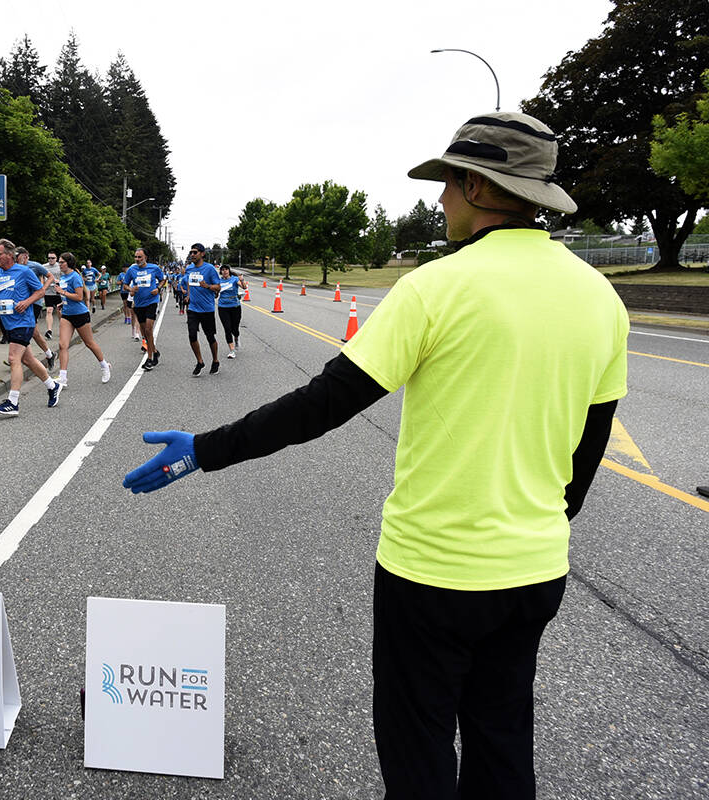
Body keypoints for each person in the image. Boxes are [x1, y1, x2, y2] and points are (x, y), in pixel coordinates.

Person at [122, 112, 629, 799]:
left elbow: (321, 406)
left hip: (432, 572)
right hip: (535, 567)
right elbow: (588, 451)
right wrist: (536, 530)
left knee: (418, 749)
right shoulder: (601, 299)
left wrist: (205, 450)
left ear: (477, 186)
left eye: (449, 181)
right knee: (503, 738)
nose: (441, 197)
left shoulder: (435, 287)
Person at [0, 238, 63, 416]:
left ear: (9, 255)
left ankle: (12, 402)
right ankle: (53, 386)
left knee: (14, 359)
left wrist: (26, 302)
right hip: (8, 323)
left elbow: (40, 291)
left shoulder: (24, 271)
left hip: (24, 322)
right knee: (27, 359)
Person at [52, 251, 112, 386]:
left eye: (62, 262)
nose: (59, 264)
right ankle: (63, 377)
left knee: (89, 343)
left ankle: (104, 366)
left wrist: (62, 292)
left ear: (69, 263)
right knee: (62, 345)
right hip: (67, 314)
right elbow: (68, 296)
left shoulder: (75, 277)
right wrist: (63, 301)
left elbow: (79, 297)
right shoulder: (63, 277)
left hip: (80, 314)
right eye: (59, 262)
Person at [14, 247, 57, 370]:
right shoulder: (15, 268)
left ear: (25, 255)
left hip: (35, 302)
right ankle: (49, 354)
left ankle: (21, 357)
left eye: (19, 256)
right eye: (16, 256)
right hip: (22, 302)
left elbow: (51, 277)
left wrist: (43, 289)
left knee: (28, 329)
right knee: (33, 332)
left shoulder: (35, 266)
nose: (17, 258)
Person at [125, 248, 166, 371]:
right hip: (139, 304)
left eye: (140, 257)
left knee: (148, 329)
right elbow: (125, 284)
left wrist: (158, 289)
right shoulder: (132, 270)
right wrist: (130, 290)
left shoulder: (154, 268)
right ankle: (155, 351)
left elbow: (163, 279)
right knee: (144, 332)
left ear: (145, 258)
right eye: (136, 257)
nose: (137, 259)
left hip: (152, 301)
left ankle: (149, 359)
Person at [184, 243, 221, 376]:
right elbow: (189, 283)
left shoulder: (210, 269)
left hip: (207, 309)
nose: (192, 255)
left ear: (202, 254)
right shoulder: (189, 269)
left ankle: (215, 360)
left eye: (195, 252)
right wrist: (188, 295)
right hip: (193, 308)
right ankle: (200, 361)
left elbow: (218, 287)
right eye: (191, 252)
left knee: (210, 336)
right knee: (192, 335)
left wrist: (207, 286)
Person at [217, 265, 247, 358]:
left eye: (226, 269)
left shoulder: (234, 279)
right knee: (227, 329)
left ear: (229, 271)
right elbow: (215, 293)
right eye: (222, 270)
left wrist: (242, 280)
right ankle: (232, 350)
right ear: (221, 272)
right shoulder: (219, 281)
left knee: (235, 329)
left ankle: (236, 339)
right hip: (223, 307)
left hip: (235, 306)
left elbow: (244, 287)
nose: (224, 271)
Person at [43, 250, 62, 339]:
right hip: (48, 292)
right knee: (49, 310)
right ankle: (49, 330)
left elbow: (65, 277)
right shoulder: (44, 267)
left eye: (53, 258)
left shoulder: (60, 266)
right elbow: (41, 278)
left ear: (56, 258)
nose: (50, 260)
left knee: (59, 311)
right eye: (49, 258)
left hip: (58, 291)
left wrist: (60, 281)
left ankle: (62, 327)